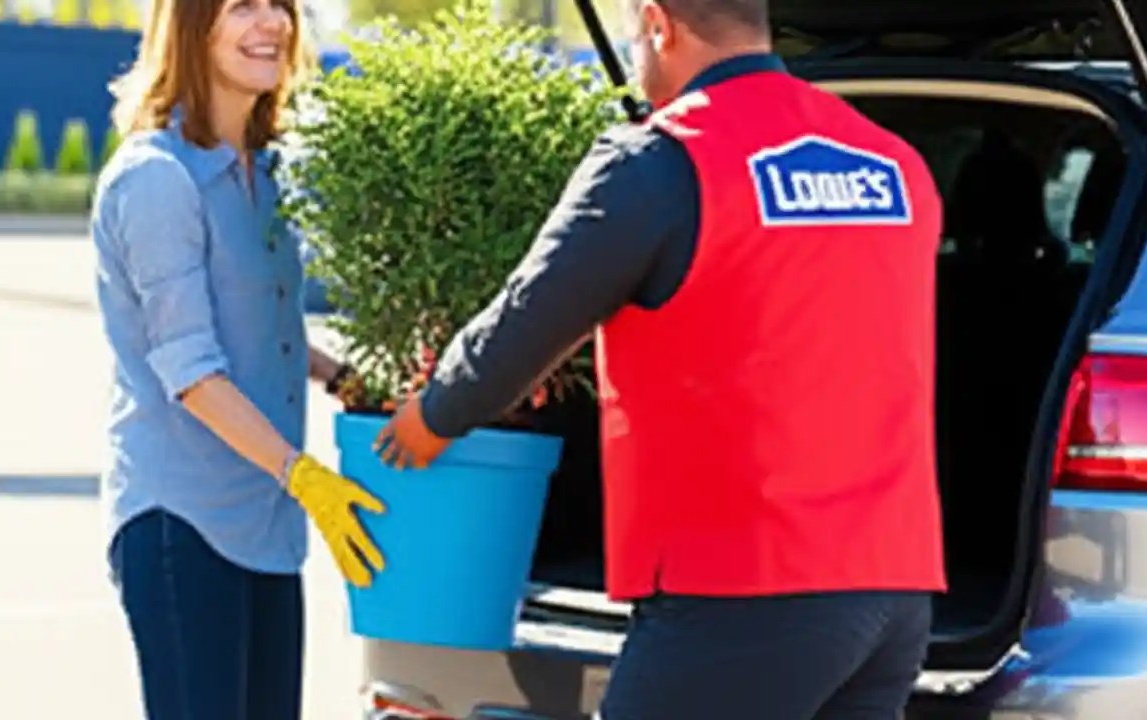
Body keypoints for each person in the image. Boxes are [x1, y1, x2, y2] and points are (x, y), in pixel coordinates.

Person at [375, 0, 947, 716]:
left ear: (657, 24)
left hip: (739, 588)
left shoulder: (660, 160)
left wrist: (429, 419)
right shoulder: (896, 164)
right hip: (891, 590)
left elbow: (526, 322)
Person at [91, 0, 385, 717]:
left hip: (265, 522)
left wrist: (342, 376)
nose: (273, 24)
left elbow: (260, 321)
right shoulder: (157, 180)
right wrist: (302, 473)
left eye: (280, 5)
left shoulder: (265, 171)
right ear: (193, 26)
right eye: (242, 7)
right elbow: (190, 371)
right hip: (184, 525)